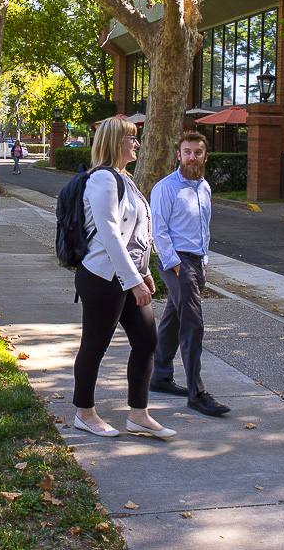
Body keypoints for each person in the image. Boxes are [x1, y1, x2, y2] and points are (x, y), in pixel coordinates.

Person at [71, 117, 175, 439]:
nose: (138, 144)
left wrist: (145, 272)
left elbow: (137, 235)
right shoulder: (102, 179)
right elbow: (111, 236)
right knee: (95, 345)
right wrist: (135, 281)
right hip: (103, 277)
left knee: (147, 341)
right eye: (132, 138)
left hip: (128, 276)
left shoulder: (124, 179)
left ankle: (138, 414)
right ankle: (84, 413)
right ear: (116, 142)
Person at [149, 131, 229, 416]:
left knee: (173, 319)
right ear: (179, 155)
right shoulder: (165, 188)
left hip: (197, 261)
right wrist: (176, 265)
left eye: (197, 152)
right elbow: (158, 230)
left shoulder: (204, 187)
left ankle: (159, 376)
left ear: (205, 156)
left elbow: (204, 227)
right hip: (177, 263)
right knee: (193, 324)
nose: (192, 157)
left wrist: (203, 260)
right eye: (187, 152)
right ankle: (197, 393)